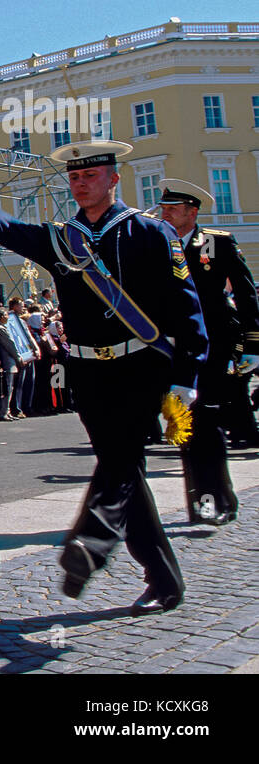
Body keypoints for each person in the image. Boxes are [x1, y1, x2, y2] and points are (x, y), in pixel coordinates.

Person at [0, 140, 207, 614]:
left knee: (120, 459)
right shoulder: (60, 239)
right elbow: (8, 230)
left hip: (140, 364)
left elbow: (186, 306)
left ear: (114, 180)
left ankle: (90, 545)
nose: (80, 183)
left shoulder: (149, 233)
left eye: (90, 176)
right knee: (124, 467)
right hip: (88, 371)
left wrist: (187, 373)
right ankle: (163, 578)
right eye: (74, 177)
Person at [159, 178, 259, 525]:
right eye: (164, 209)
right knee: (184, 423)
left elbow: (246, 295)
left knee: (208, 422)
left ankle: (214, 499)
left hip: (215, 345)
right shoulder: (158, 244)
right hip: (176, 348)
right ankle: (202, 501)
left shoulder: (215, 244)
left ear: (192, 211)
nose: (166, 215)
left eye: (173, 209)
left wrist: (253, 344)